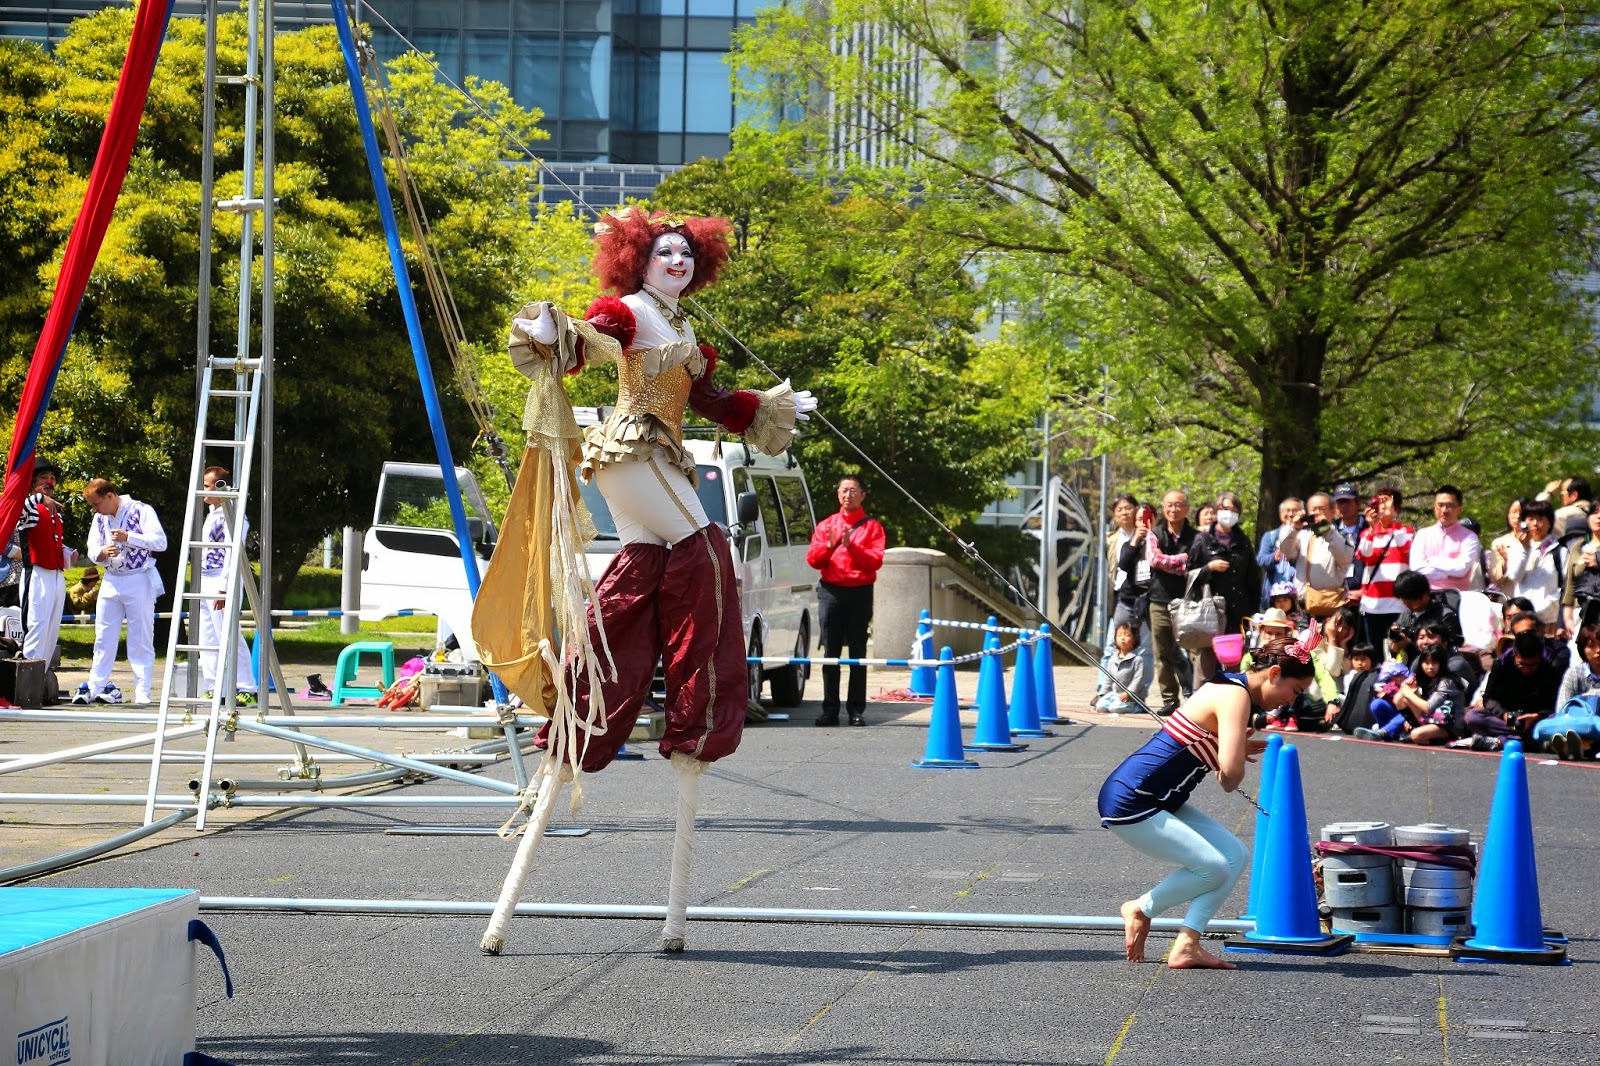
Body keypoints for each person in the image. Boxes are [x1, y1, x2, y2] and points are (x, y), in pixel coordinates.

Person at [1099, 637, 1311, 969]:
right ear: (1273, 674)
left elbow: (1206, 743)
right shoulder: (1236, 696)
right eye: (1295, 691)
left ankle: (1188, 944)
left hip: (1155, 795)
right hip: (1133, 799)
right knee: (1212, 867)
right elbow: (1229, 778)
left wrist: (1234, 747)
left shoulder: (1229, 683)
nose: (1290, 702)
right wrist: (1235, 754)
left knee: (1234, 855)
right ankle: (1140, 908)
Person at [77, 478, 167, 705]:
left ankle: (143, 690)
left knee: (141, 636)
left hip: (138, 577)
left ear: (110, 496)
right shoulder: (99, 518)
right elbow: (92, 547)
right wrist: (101, 552)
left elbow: (160, 542)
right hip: (111, 578)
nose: (95, 509)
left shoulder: (141, 510)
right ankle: (95, 686)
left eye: (97, 503)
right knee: (103, 635)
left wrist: (130, 537)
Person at [807, 474, 886, 727]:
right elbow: (813, 560)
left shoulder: (872, 527)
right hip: (831, 591)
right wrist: (830, 546)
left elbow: (875, 561)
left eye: (853, 490)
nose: (847, 495)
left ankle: (856, 710)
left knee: (857, 652)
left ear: (862, 495)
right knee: (830, 652)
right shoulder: (827, 524)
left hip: (859, 592)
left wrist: (852, 546)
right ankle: (829, 709)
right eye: (843, 490)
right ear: (837, 494)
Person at [197, 466, 258, 706]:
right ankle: (215, 686)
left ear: (221, 487)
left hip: (222, 579)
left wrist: (224, 588)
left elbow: (234, 554)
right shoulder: (212, 513)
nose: (204, 491)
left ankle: (246, 687)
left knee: (229, 634)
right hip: (205, 577)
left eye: (208, 486)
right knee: (208, 635)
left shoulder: (234, 516)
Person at [1186, 491, 1260, 682]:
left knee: (1235, 661)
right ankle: (1200, 703)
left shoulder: (1243, 542)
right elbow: (1189, 574)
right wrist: (1208, 568)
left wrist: (1253, 611)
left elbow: (1253, 578)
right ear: (1217, 510)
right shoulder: (1202, 540)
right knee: (1206, 662)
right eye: (1225, 509)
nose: (1229, 514)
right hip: (1210, 611)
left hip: (1238, 610)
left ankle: (1234, 701)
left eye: (1234, 510)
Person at [11, 461, 75, 670]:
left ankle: (43, 675)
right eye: (44, 477)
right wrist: (39, 498)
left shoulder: (56, 513)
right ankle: (29, 676)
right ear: (32, 484)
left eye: (53, 478)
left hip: (56, 573)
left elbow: (53, 539)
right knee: (36, 626)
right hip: (37, 572)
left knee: (52, 628)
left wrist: (67, 553)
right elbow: (14, 505)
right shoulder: (31, 507)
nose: (50, 482)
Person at [1457, 630, 1562, 751]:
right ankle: (1533, 742)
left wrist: (1536, 716)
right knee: (1473, 717)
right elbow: (1489, 698)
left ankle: (1503, 741)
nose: (1527, 670)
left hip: (1537, 720)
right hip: (1507, 720)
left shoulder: (1552, 666)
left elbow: (1556, 702)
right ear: (1515, 654)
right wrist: (1504, 715)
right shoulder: (1501, 664)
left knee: (1556, 721)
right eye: (1522, 665)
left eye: (1532, 665)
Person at [1144, 490, 1198, 714]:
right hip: (1159, 599)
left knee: (1194, 651)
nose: (1173, 509)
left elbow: (1195, 562)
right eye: (1169, 505)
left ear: (1186, 509)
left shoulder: (1196, 536)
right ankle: (1169, 699)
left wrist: (1173, 563)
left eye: (1178, 505)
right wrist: (1182, 560)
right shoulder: (1154, 533)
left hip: (1189, 600)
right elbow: (1154, 559)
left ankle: (1197, 695)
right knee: (1162, 652)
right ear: (1163, 508)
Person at [1107, 494, 1154, 697]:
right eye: (1120, 509)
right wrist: (1136, 540)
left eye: (1129, 508)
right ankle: (1105, 689)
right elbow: (1122, 565)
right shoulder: (1117, 540)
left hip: (1149, 599)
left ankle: (1139, 692)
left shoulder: (1156, 538)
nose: (1125, 512)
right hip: (1123, 597)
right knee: (1113, 644)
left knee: (1145, 649)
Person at [1279, 492, 1353, 618]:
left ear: (1333, 511)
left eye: (1322, 509)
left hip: (1333, 606)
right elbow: (1286, 551)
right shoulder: (1302, 535)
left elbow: (1344, 558)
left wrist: (1327, 530)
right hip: (1305, 607)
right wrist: (1294, 528)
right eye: (1313, 510)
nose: (1317, 513)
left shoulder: (1342, 536)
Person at [1354, 485, 1412, 648]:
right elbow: (1364, 555)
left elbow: (1405, 548)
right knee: (1375, 652)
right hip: (1373, 605)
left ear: (1397, 508)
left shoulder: (1405, 531)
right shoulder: (1367, 534)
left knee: (1397, 650)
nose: (1382, 507)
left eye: (1387, 503)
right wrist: (1372, 529)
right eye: (1378, 503)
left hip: (1398, 604)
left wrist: (1393, 520)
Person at [1496, 497, 1562, 630]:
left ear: (1550, 523)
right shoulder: (1517, 548)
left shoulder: (1559, 549)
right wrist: (1524, 549)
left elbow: (1564, 585)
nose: (1535, 523)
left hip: (1547, 619)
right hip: (1521, 620)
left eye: (1541, 519)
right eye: (1531, 519)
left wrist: (1544, 608)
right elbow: (1515, 576)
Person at [1409, 485, 1482, 592]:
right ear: (1434, 507)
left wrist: (1431, 561)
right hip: (1425, 596)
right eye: (1440, 505)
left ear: (1459, 509)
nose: (1444, 510)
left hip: (1457, 597)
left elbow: (1461, 569)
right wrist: (1444, 574)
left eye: (1450, 505)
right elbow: (1416, 567)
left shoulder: (1469, 537)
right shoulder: (1422, 534)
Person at [1256, 497, 1303, 609]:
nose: (1291, 514)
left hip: (1300, 595)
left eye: (1295, 510)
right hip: (1274, 598)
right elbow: (1261, 560)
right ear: (1280, 514)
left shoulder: (1308, 535)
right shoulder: (1271, 536)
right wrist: (1274, 557)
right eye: (1287, 510)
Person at [1560, 506, 1600, 633]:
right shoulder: (1578, 546)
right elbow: (1570, 582)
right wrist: (1567, 617)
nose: (1598, 516)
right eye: (1594, 512)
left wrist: (1598, 561)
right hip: (1580, 611)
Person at [1095, 622, 1147, 714]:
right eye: (1119, 635)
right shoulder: (1113, 659)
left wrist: (1128, 693)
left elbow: (1138, 680)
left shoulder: (1137, 660)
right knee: (1100, 706)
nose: (1122, 638)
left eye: (1127, 635)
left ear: (1134, 639)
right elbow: (1108, 679)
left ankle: (1138, 708)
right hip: (1115, 695)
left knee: (1115, 708)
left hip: (1131, 698)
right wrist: (1101, 694)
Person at [1554, 476, 1592, 540]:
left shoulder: (1562, 515)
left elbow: (1539, 516)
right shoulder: (1594, 513)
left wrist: (1547, 493)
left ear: (1574, 495)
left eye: (1562, 492)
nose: (1561, 496)